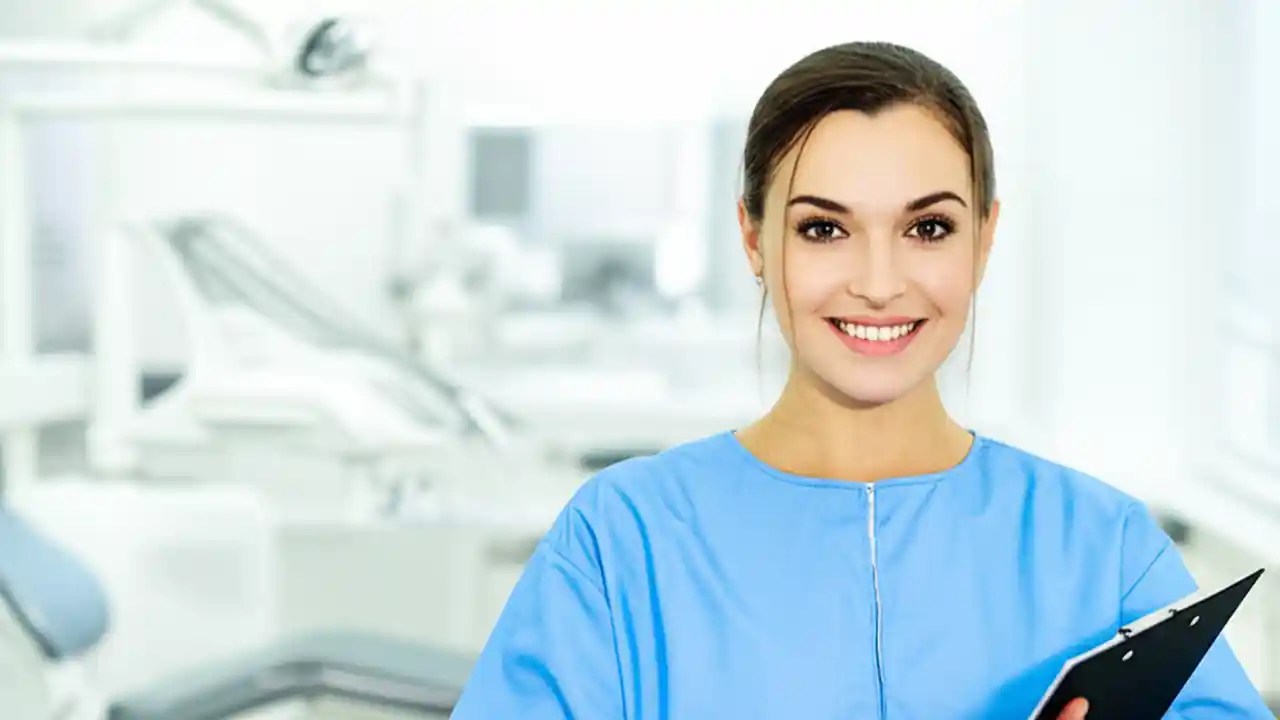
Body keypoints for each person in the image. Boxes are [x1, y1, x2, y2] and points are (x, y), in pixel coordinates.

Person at [450, 41, 1271, 719]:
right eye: (824, 228)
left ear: (984, 238)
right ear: (752, 236)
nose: (879, 282)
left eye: (927, 227)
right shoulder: (617, 543)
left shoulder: (1103, 548)